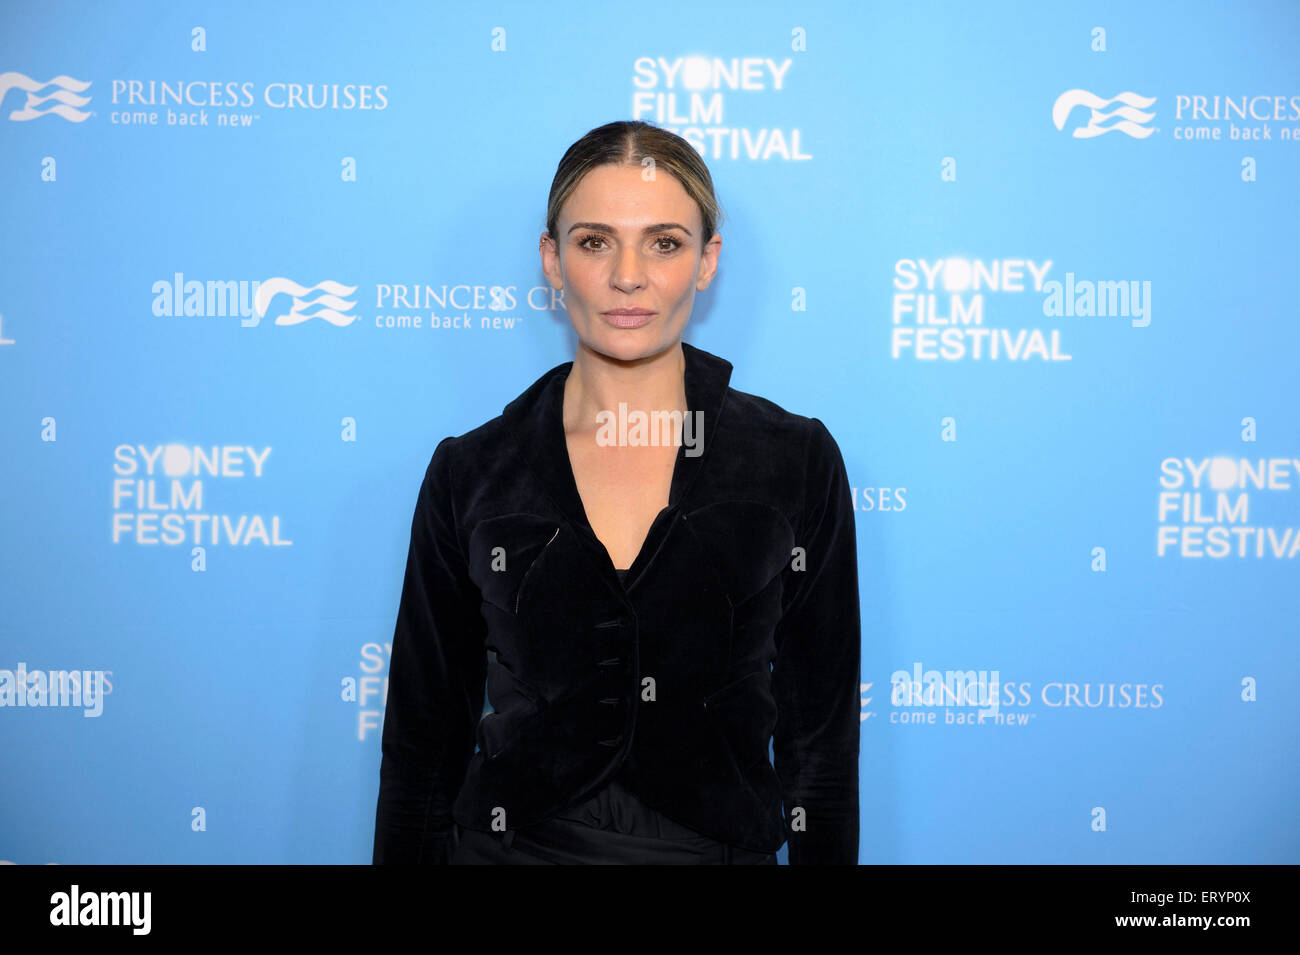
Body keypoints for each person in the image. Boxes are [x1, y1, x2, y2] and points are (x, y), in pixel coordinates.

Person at [372, 120, 860, 865]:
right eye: (595, 241)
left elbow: (819, 743)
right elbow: (423, 745)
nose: (627, 275)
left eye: (664, 242)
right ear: (553, 260)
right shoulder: (473, 470)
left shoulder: (792, 459)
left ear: (706, 261)